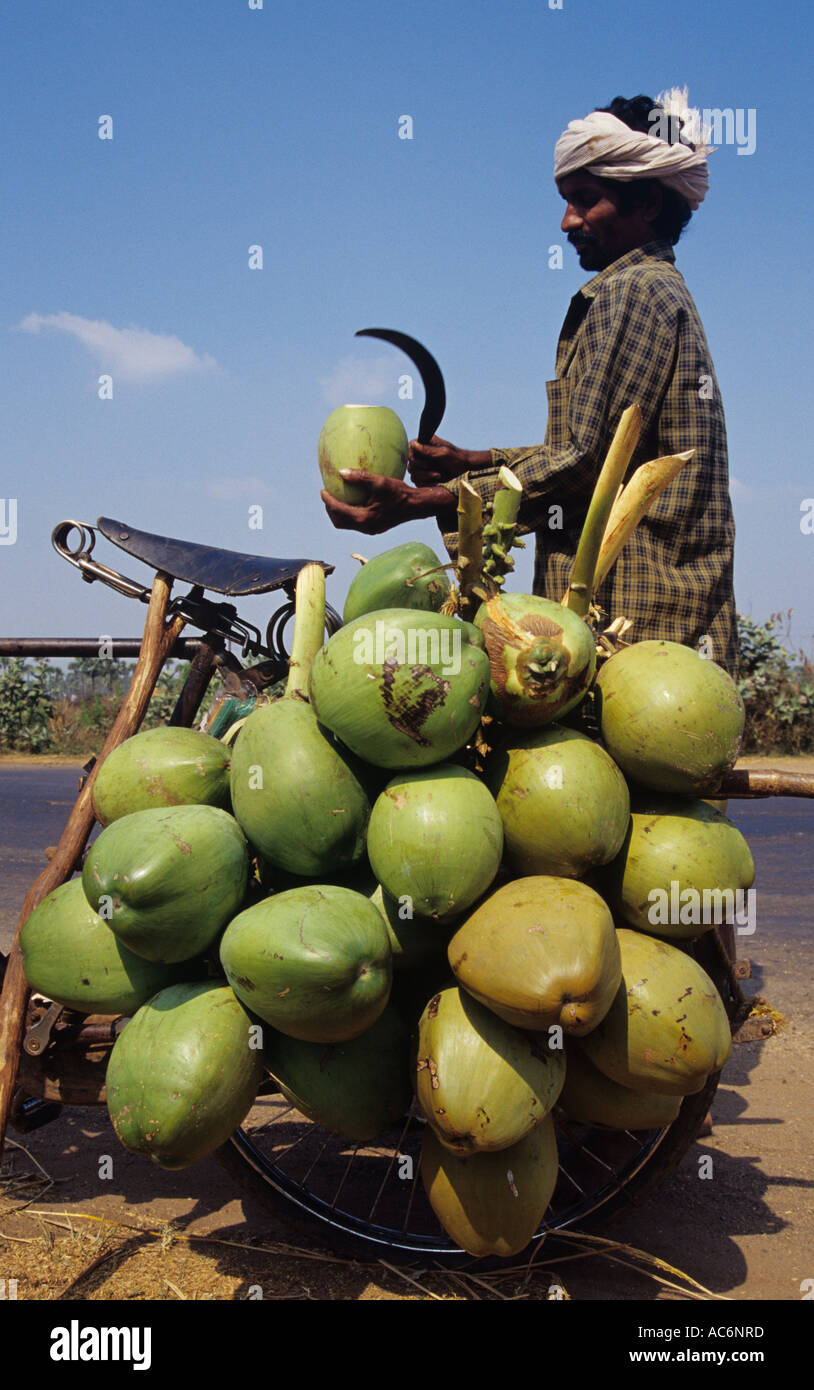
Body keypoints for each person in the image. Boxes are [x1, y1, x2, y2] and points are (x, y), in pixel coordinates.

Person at [321, 91, 739, 676]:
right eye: (567, 202)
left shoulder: (633, 291)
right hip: (647, 617)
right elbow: (589, 448)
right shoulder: (647, 289)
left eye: (585, 202)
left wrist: (428, 502)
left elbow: (584, 463)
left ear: (645, 202)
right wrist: (474, 461)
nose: (567, 222)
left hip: (639, 619)